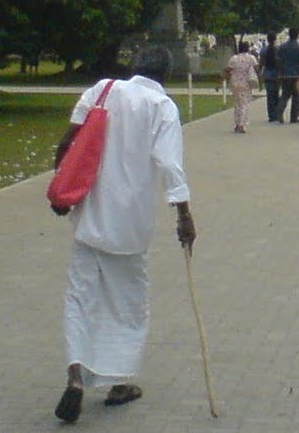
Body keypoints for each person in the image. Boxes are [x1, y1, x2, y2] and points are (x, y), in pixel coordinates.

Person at [50, 45, 195, 423]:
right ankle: (118, 383)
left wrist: (59, 188)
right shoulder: (162, 107)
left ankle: (76, 376)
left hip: (90, 216)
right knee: (126, 304)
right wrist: (184, 214)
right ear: (167, 73)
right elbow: (169, 164)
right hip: (131, 225)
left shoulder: (102, 90)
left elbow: (68, 141)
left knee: (81, 298)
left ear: (135, 66)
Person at [224, 38, 259, 133]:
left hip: (235, 83)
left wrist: (224, 81)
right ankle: (241, 124)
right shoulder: (251, 58)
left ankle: (237, 123)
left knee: (237, 104)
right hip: (246, 83)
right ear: (247, 48)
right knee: (244, 104)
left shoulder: (234, 59)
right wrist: (260, 81)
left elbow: (227, 70)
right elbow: (257, 69)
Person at [277, 30, 299, 124]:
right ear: (297, 35)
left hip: (285, 74)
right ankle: (294, 117)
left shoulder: (282, 47)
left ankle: (280, 111)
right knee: (296, 97)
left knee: (285, 95)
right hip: (296, 75)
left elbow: (279, 61)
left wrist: (280, 72)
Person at [260, 31, 282, 123]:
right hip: (276, 74)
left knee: (270, 96)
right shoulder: (278, 50)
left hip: (267, 74)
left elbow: (261, 62)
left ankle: (271, 115)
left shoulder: (263, 50)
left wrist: (259, 74)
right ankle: (277, 114)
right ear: (275, 39)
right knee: (276, 94)